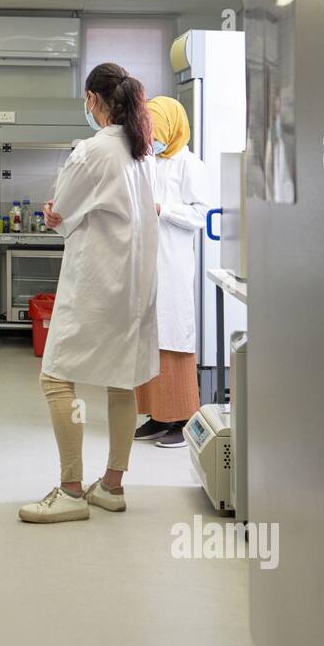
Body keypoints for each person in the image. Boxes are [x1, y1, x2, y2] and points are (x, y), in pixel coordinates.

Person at [19, 63, 158, 523]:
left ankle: (72, 490)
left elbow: (60, 210)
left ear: (94, 101)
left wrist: (53, 212)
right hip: (135, 285)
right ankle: (112, 486)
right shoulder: (142, 150)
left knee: (57, 376)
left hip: (98, 283)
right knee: (121, 379)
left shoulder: (92, 151)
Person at [134, 95, 209, 447]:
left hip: (173, 264)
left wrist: (164, 209)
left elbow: (201, 214)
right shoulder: (148, 160)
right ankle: (156, 415)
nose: (150, 135)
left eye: (154, 128)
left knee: (173, 341)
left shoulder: (188, 163)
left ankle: (180, 419)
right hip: (145, 263)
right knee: (147, 339)